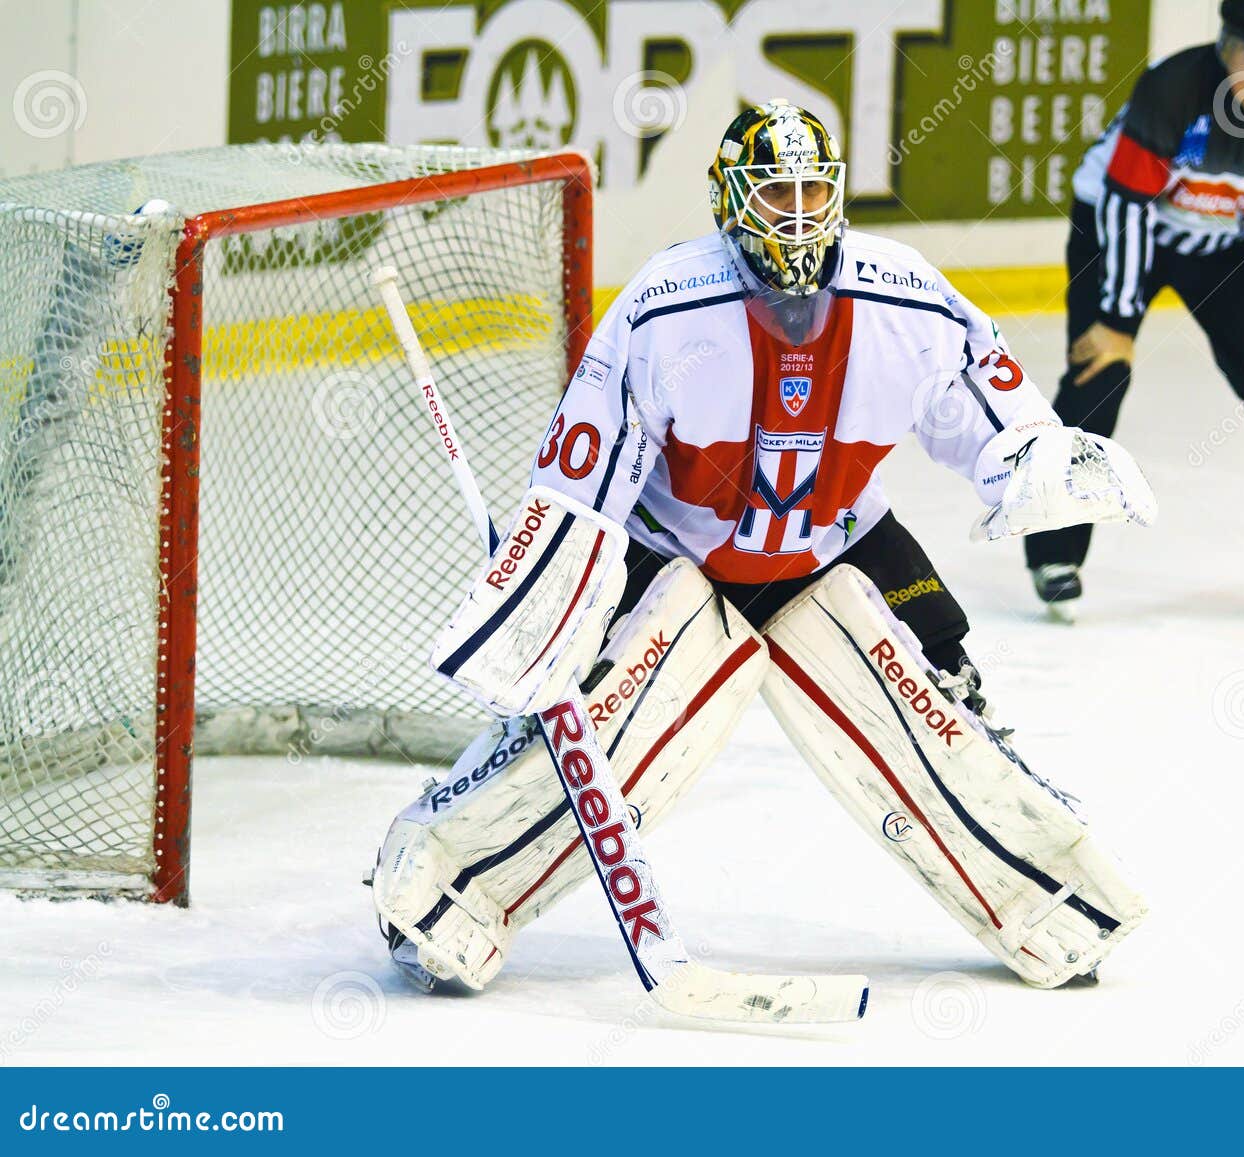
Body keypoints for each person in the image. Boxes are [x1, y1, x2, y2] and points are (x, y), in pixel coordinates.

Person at [371, 99, 1155, 995]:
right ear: (727, 199)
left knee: (951, 726)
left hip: (842, 543)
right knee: (594, 740)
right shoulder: (666, 308)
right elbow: (582, 486)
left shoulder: (905, 298)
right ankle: (437, 893)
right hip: (680, 557)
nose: (795, 210)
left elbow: (987, 408)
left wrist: (1039, 457)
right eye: (772, 189)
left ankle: (1057, 906)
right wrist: (546, 597)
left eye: (812, 188)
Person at [1026, 0, 1244, 621]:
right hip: (1122, 230)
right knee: (1099, 373)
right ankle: (1053, 555)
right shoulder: (1175, 85)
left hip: (1221, 246)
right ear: (1224, 47)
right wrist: (1117, 325)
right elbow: (1124, 203)